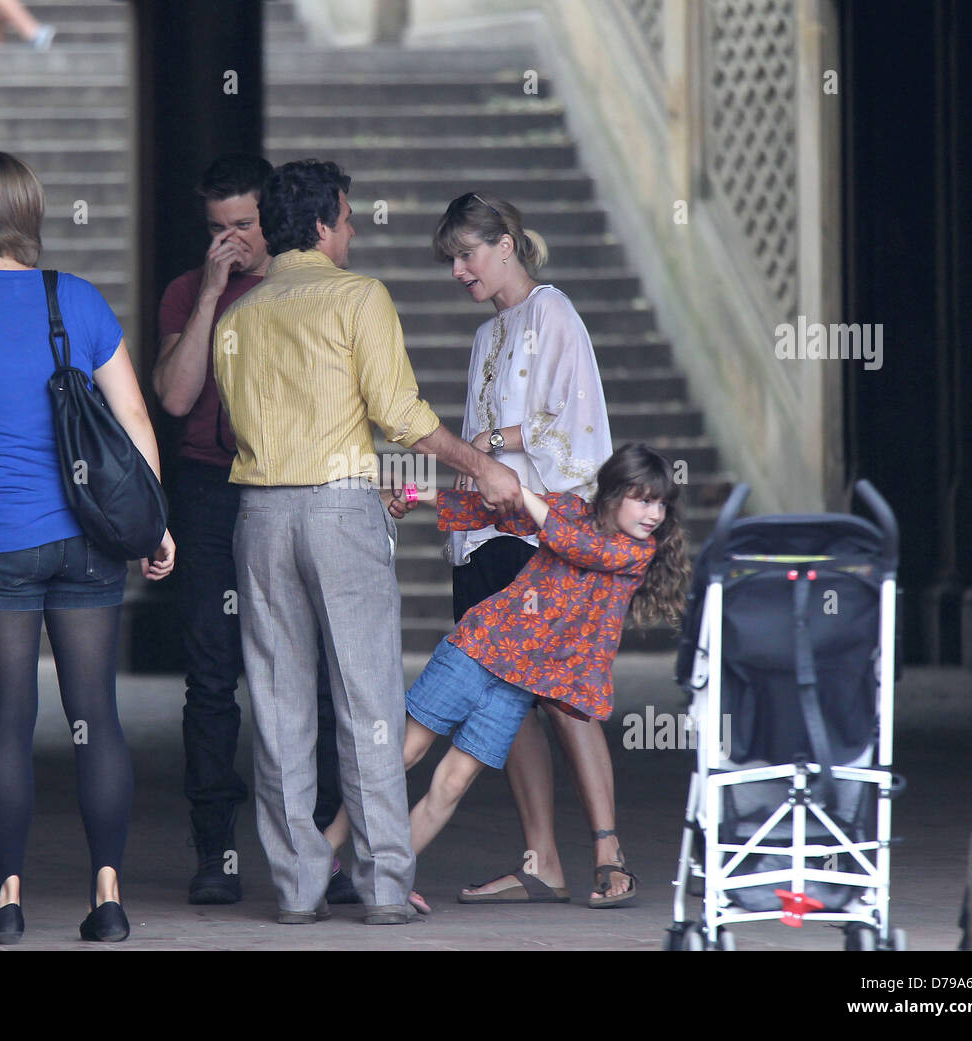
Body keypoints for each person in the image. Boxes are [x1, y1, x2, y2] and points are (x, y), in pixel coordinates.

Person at [212, 158, 524, 924]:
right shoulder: (358, 296)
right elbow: (401, 412)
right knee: (368, 699)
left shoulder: (237, 317)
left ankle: (296, 887)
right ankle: (384, 883)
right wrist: (478, 465)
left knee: (280, 704)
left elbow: (234, 423)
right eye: (346, 218)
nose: (351, 230)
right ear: (322, 224)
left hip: (257, 515)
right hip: (341, 511)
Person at [0, 151, 174, 945]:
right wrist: (153, 525)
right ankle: (108, 897)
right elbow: (136, 425)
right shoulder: (77, 300)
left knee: (9, 725)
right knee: (98, 717)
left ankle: (9, 901)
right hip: (89, 542)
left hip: (0, 546)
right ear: (30, 214)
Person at [326, 443, 688, 911]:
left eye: (661, 503)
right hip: (477, 649)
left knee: (452, 783)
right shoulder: (566, 508)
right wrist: (421, 494)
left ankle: (385, 880)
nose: (654, 513)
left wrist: (518, 489)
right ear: (613, 495)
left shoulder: (631, 551)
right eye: (643, 499)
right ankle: (319, 855)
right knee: (403, 754)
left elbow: (573, 543)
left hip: (519, 687)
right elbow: (493, 510)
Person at [152, 154, 356, 905]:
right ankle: (216, 851)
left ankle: (330, 848)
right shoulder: (187, 289)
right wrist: (211, 292)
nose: (231, 239)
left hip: (290, 481)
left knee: (320, 670)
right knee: (211, 676)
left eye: (243, 224)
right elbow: (175, 401)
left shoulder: (306, 285)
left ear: (272, 217)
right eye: (216, 228)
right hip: (209, 492)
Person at [431, 190, 638, 908]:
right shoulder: (487, 336)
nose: (459, 270)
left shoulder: (552, 311)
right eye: (452, 258)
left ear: (505, 244)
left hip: (543, 531)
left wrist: (498, 442)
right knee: (502, 695)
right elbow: (471, 449)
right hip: (486, 537)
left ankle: (609, 848)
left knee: (559, 690)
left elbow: (580, 425)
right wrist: (456, 517)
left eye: (468, 253)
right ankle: (541, 859)